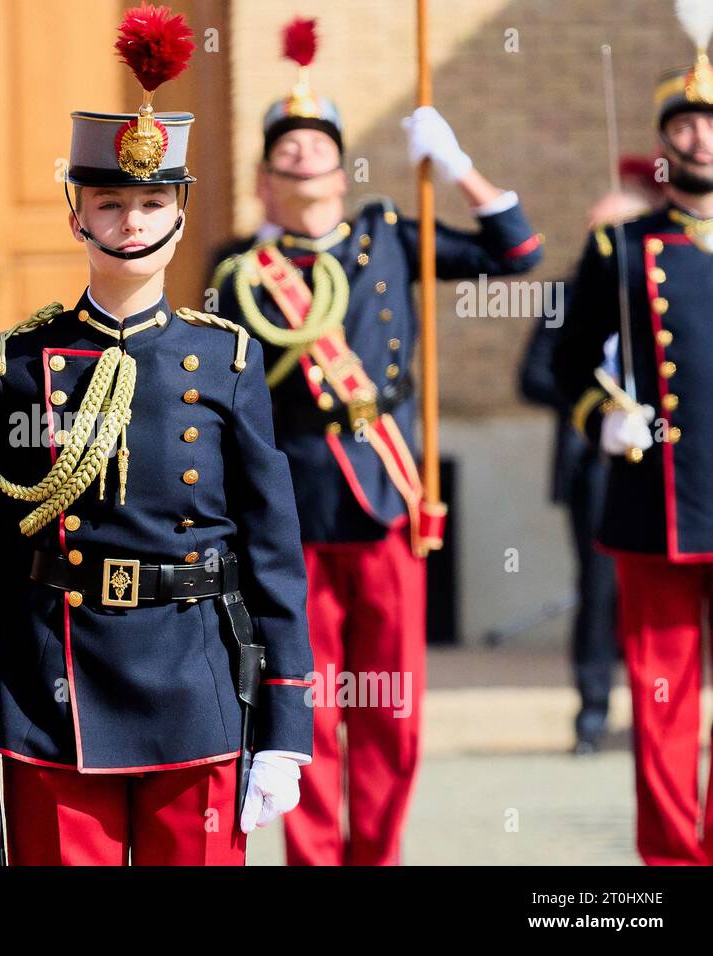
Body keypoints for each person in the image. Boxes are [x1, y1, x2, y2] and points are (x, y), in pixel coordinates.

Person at [0, 3, 313, 866]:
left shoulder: (223, 358)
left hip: (196, 677)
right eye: (112, 203)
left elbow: (274, 552)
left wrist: (288, 720)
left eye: (153, 202)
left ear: (181, 211)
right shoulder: (17, 362)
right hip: (56, 684)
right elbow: (1, 543)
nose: (133, 222)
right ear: (78, 214)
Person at [211, 16, 543, 866]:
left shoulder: (392, 232)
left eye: (317, 146)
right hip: (286, 506)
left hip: (387, 490)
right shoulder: (238, 271)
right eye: (286, 151)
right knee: (308, 707)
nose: (303, 160)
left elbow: (517, 255)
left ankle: (379, 857)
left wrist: (457, 165)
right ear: (265, 177)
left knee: (390, 708)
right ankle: (315, 859)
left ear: (340, 162)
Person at [551, 11, 713, 865]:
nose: (699, 137)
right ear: (664, 145)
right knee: (663, 702)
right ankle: (674, 860)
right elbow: (567, 364)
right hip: (659, 506)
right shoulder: (620, 246)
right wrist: (601, 419)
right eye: (684, 125)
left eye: (710, 124)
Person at [518, 163, 661, 756]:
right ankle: (593, 715)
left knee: (659, 589)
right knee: (599, 588)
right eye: (594, 232)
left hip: (662, 460)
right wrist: (601, 408)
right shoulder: (564, 296)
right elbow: (535, 376)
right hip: (593, 462)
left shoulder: (664, 285)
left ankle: (657, 711)